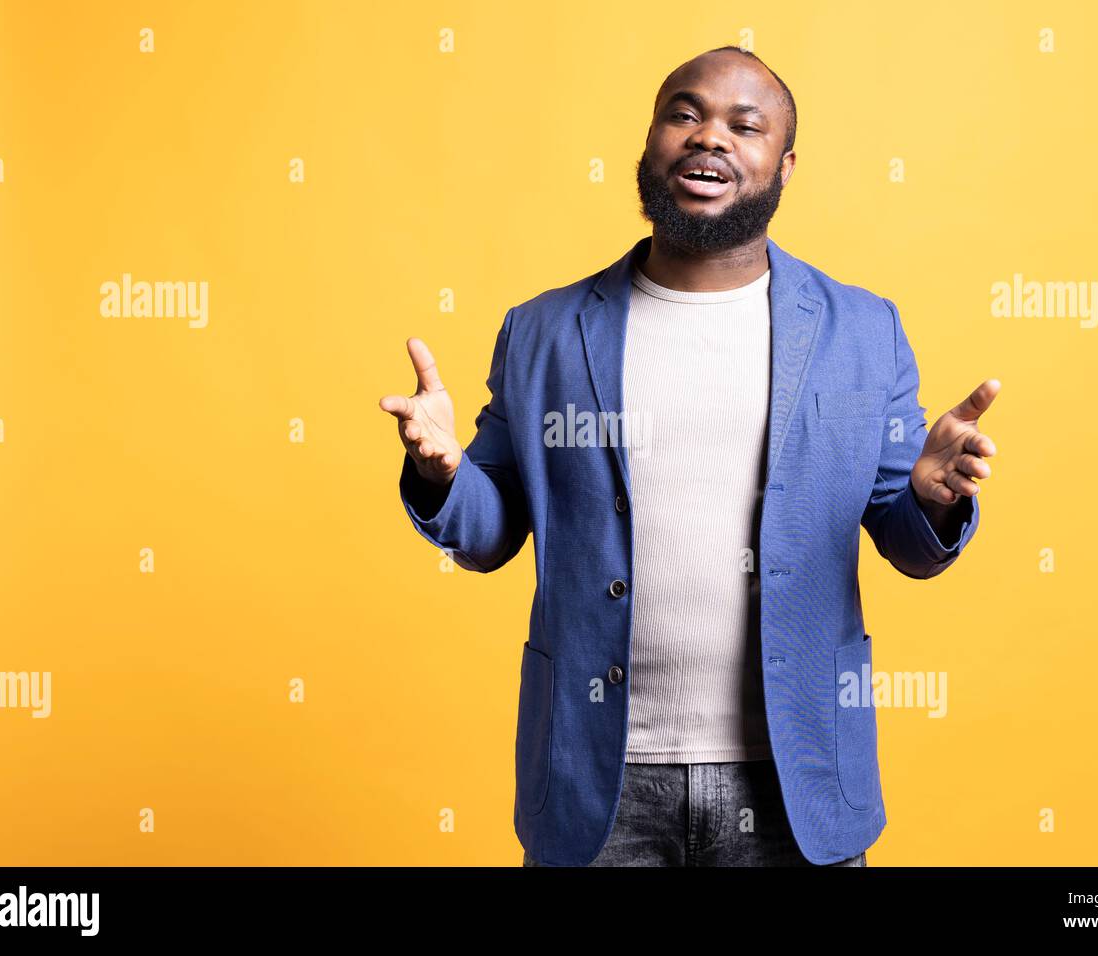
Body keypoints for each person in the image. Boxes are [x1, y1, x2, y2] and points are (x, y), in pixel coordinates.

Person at [380, 45, 999, 866]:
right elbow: (490, 531)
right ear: (650, 141)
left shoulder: (862, 330)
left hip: (795, 780)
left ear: (783, 164)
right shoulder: (544, 331)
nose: (710, 138)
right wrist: (443, 474)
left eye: (745, 126)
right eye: (685, 113)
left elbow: (906, 543)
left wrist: (932, 498)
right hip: (599, 783)